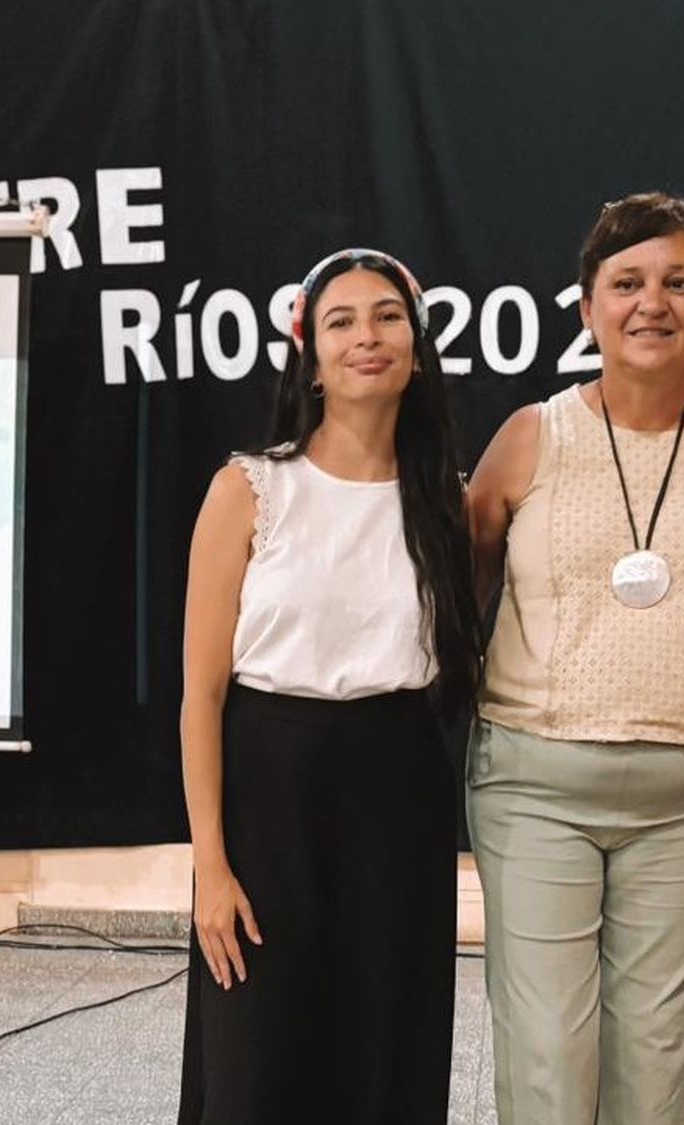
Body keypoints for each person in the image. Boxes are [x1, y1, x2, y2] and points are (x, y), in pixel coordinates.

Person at [464, 192, 684, 1124]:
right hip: (535, 786)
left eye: (678, 283)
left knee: (657, 1059)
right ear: (588, 307)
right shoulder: (533, 436)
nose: (651, 302)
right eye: (626, 283)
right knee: (547, 1050)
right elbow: (457, 591)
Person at [175, 248, 480, 1124]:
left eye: (387, 317)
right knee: (258, 1062)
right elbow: (201, 696)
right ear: (310, 358)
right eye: (341, 322)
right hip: (270, 802)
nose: (366, 337)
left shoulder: (446, 504)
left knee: (383, 1054)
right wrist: (209, 866)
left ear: (417, 349)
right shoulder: (249, 489)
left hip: (398, 801)